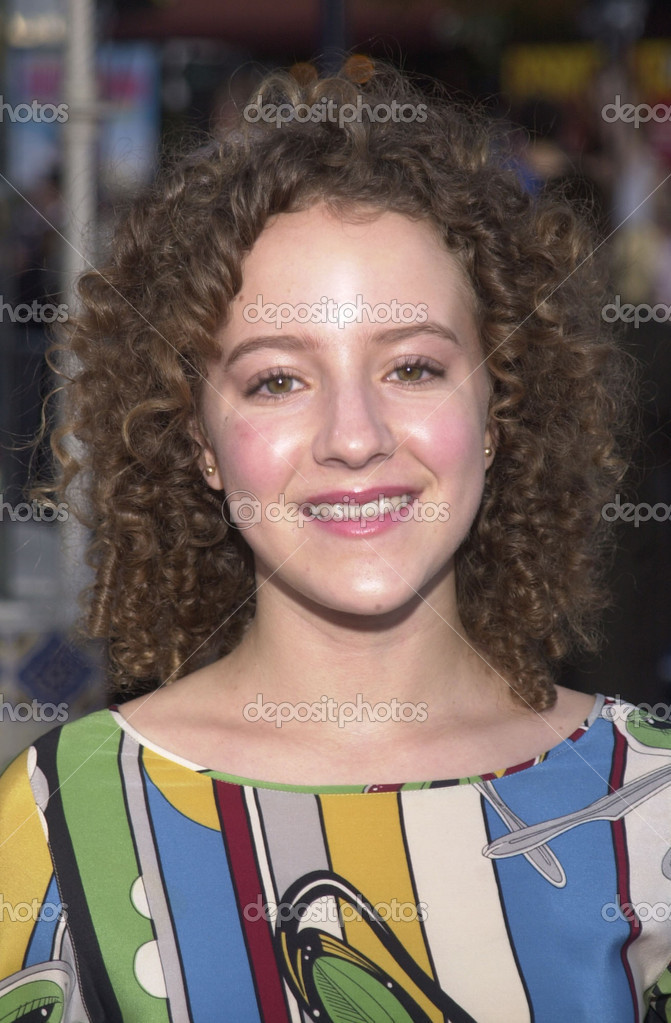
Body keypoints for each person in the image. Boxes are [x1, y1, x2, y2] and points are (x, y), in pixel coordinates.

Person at [0, 56, 667, 1023]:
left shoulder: (649, 800)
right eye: (277, 380)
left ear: (496, 409)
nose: (354, 436)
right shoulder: (55, 823)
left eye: (413, 367)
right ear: (201, 442)